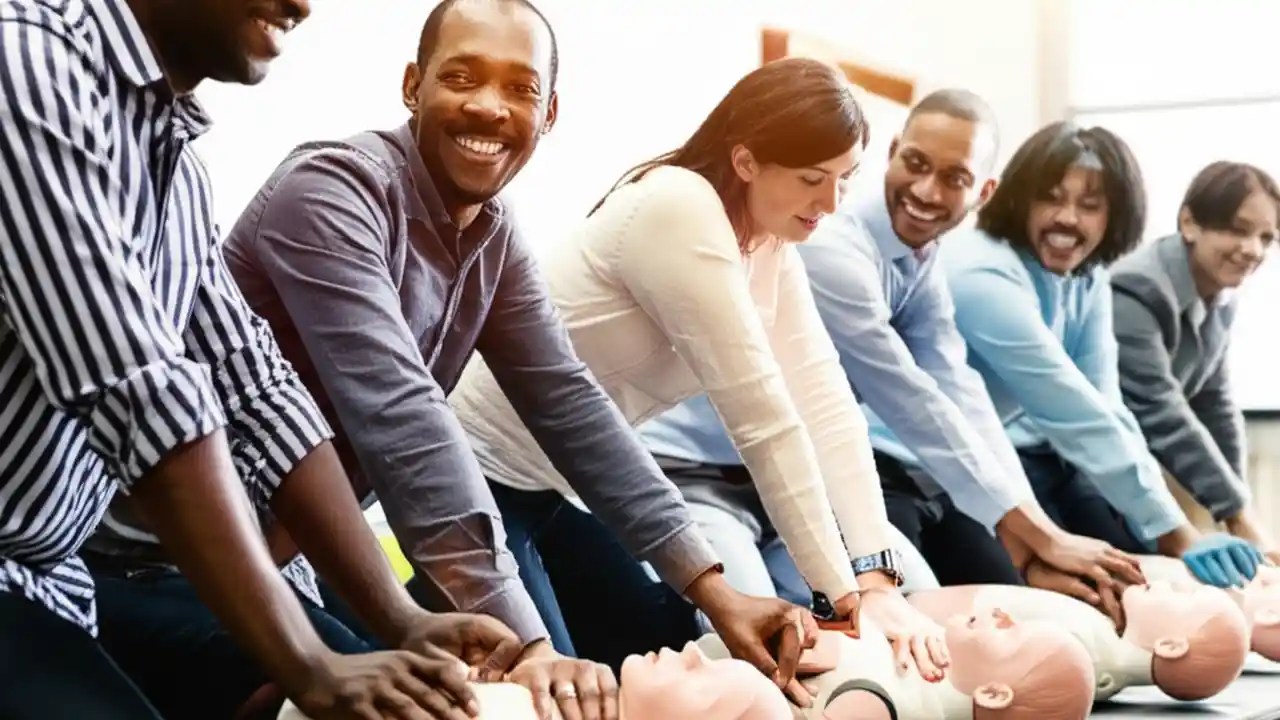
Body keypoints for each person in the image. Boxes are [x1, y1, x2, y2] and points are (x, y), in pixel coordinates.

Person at [82, 1, 817, 718]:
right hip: (146, 561)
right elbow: (402, 419)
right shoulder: (333, 191)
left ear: (549, 114)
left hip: (285, 565)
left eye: (520, 89)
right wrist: (531, 646)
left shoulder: (494, 237)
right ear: (414, 87)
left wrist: (716, 590)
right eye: (462, 77)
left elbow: (570, 404)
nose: (491, 108)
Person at [0, 0, 527, 718]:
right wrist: (310, 665)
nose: (304, 5)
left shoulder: (172, 168)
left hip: (50, 585)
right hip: (87, 568)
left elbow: (258, 389)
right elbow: (139, 390)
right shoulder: (25, 62)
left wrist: (401, 622)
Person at [449, 56, 946, 686]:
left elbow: (825, 404)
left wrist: (877, 579)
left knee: (655, 641)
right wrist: (842, 601)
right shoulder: (678, 208)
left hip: (559, 491)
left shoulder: (769, 243)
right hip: (471, 475)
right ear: (746, 162)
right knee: (561, 686)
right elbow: (765, 421)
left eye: (845, 179)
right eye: (812, 178)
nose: (832, 202)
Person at [642, 90, 1145, 625]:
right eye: (917, 164)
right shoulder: (832, 248)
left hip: (791, 482)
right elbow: (908, 401)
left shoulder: (920, 263)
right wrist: (1038, 534)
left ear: (983, 191)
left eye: (954, 178)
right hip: (697, 472)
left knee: (918, 608)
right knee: (751, 631)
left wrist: (1039, 534)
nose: (927, 190)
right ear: (893, 152)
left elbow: (959, 396)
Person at [937, 120, 1264, 589]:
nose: (1068, 218)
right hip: (936, 467)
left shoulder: (1087, 278)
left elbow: (1109, 406)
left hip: (1029, 461)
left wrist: (1177, 531)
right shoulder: (982, 272)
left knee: (1137, 566)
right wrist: (1180, 535)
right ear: (1019, 199)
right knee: (1076, 590)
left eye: (1090, 206)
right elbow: (1070, 407)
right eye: (1051, 198)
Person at [1111, 161, 1280, 572]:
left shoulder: (1219, 296)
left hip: (1139, 472)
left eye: (1265, 238)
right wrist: (1237, 512)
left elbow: (1214, 402)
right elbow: (1160, 409)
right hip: (1088, 473)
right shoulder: (1136, 288)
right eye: (1237, 230)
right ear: (1189, 223)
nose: (1252, 250)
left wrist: (1241, 511)